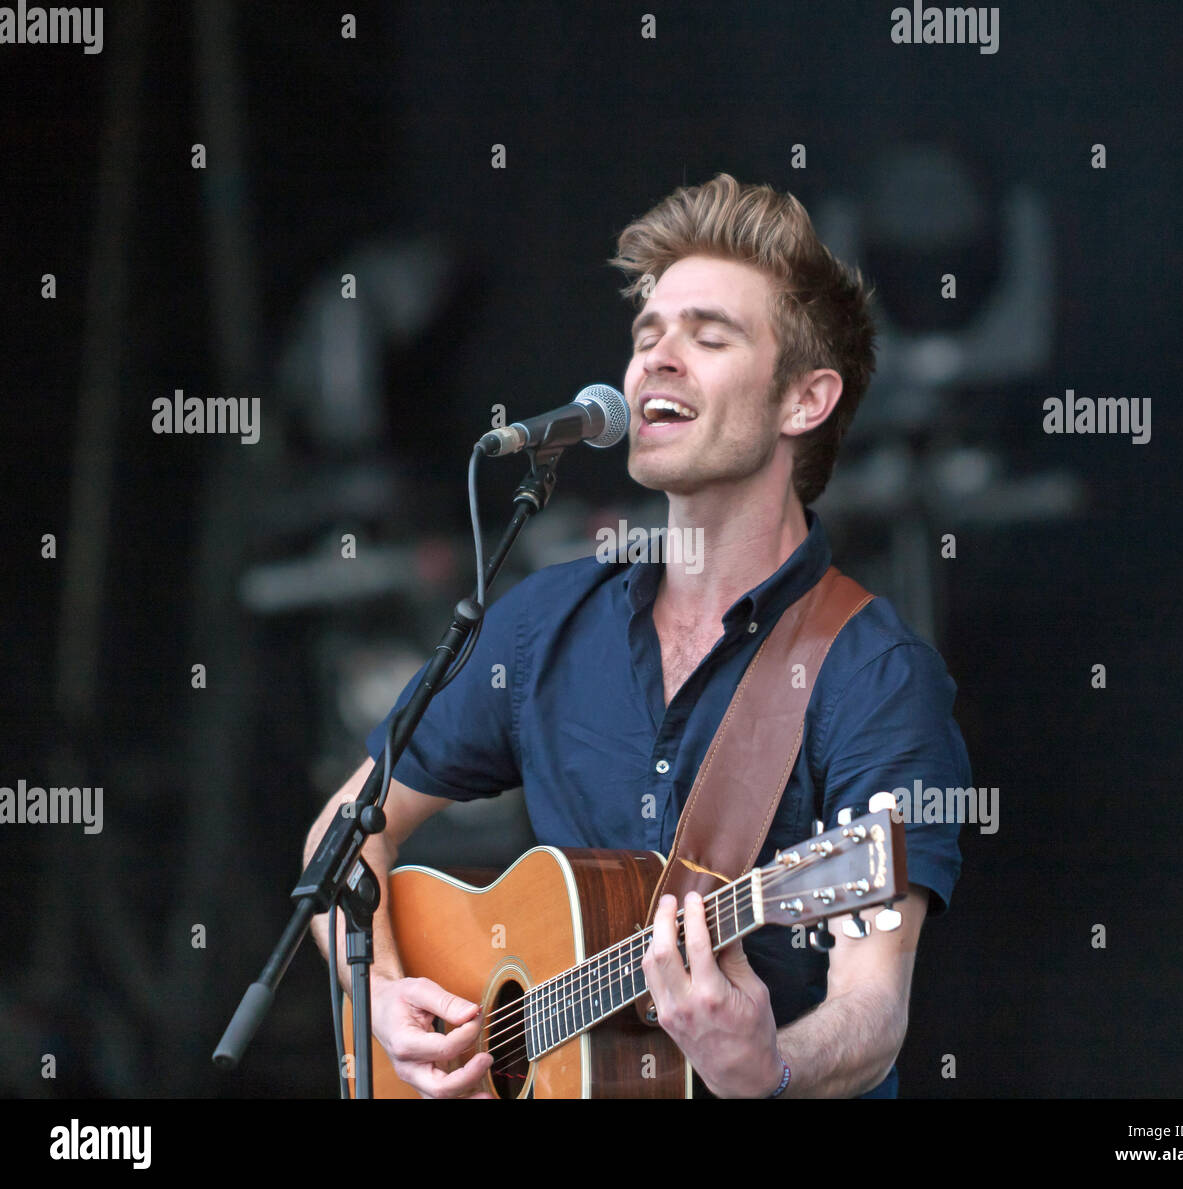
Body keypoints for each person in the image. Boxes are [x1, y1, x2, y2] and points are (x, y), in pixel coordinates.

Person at [304, 173, 968, 1099]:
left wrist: (768, 1066)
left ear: (804, 401)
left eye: (708, 335)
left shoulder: (875, 674)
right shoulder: (543, 624)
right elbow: (342, 833)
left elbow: (873, 1014)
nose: (656, 357)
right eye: (647, 333)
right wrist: (376, 993)